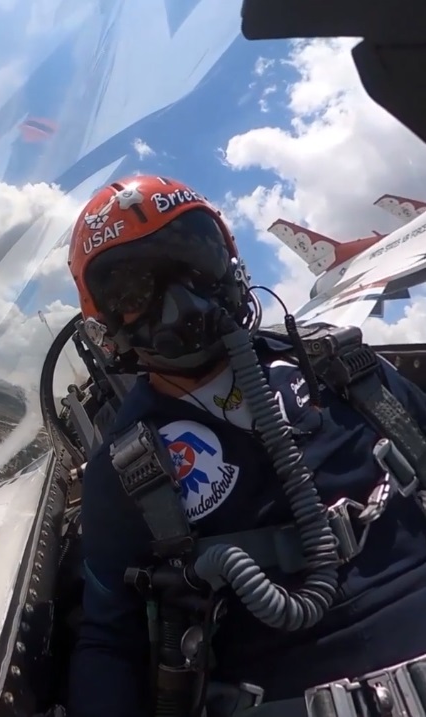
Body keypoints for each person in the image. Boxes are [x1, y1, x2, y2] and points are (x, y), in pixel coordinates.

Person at [63, 175, 426, 717]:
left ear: (231, 262)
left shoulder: (344, 367)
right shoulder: (123, 470)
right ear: (105, 324)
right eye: (136, 292)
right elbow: (109, 644)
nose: (181, 302)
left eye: (195, 261)